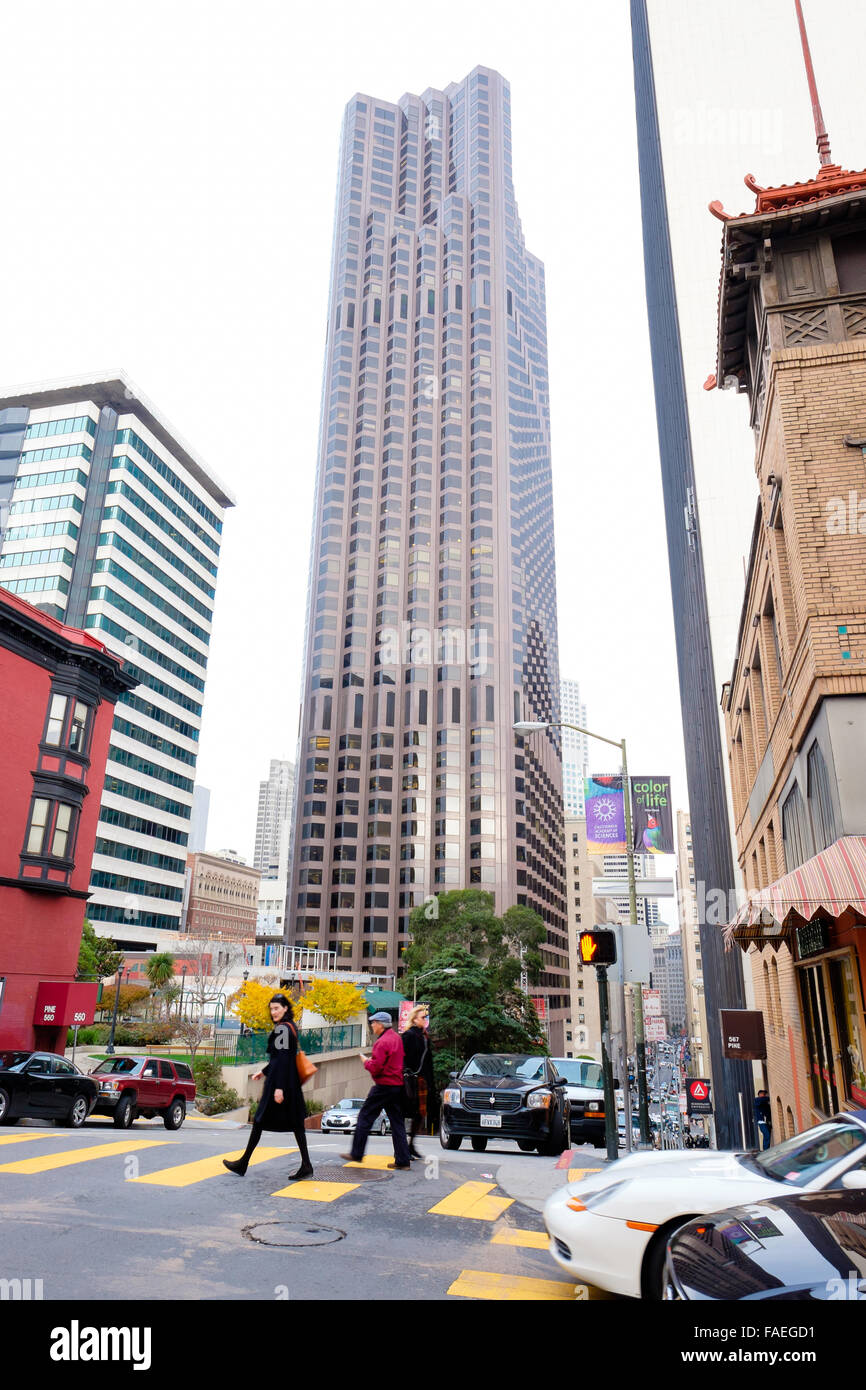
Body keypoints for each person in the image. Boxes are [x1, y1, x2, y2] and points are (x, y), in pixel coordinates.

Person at [223, 994, 313, 1181]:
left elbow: (282, 1059)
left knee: (259, 1120)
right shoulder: (290, 1027)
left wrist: (279, 1088)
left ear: (285, 1008)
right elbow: (282, 1057)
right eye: (271, 1009)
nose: (273, 1012)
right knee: (296, 1125)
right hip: (290, 1083)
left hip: (280, 1083)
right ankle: (306, 1165)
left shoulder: (281, 1029)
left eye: (277, 1008)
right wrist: (264, 1071)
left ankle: (243, 1163)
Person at [342, 1011, 412, 1170]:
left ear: (380, 1024)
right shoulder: (396, 1039)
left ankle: (357, 1153)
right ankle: (403, 1160)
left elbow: (376, 1068)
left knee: (365, 1116)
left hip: (383, 1086)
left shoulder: (382, 1043)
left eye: (373, 1022)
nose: (372, 1025)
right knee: (397, 1123)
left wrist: (366, 1061)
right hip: (397, 1085)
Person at [401, 1004, 436, 1158]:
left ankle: (411, 1144)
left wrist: (431, 1083)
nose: (426, 1020)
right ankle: (403, 1147)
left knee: (419, 1114)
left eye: (427, 1017)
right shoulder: (408, 1035)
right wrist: (404, 1073)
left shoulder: (425, 1037)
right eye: (423, 1017)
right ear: (414, 1019)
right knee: (404, 1112)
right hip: (409, 1080)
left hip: (422, 1080)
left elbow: (429, 1062)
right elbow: (401, 1057)